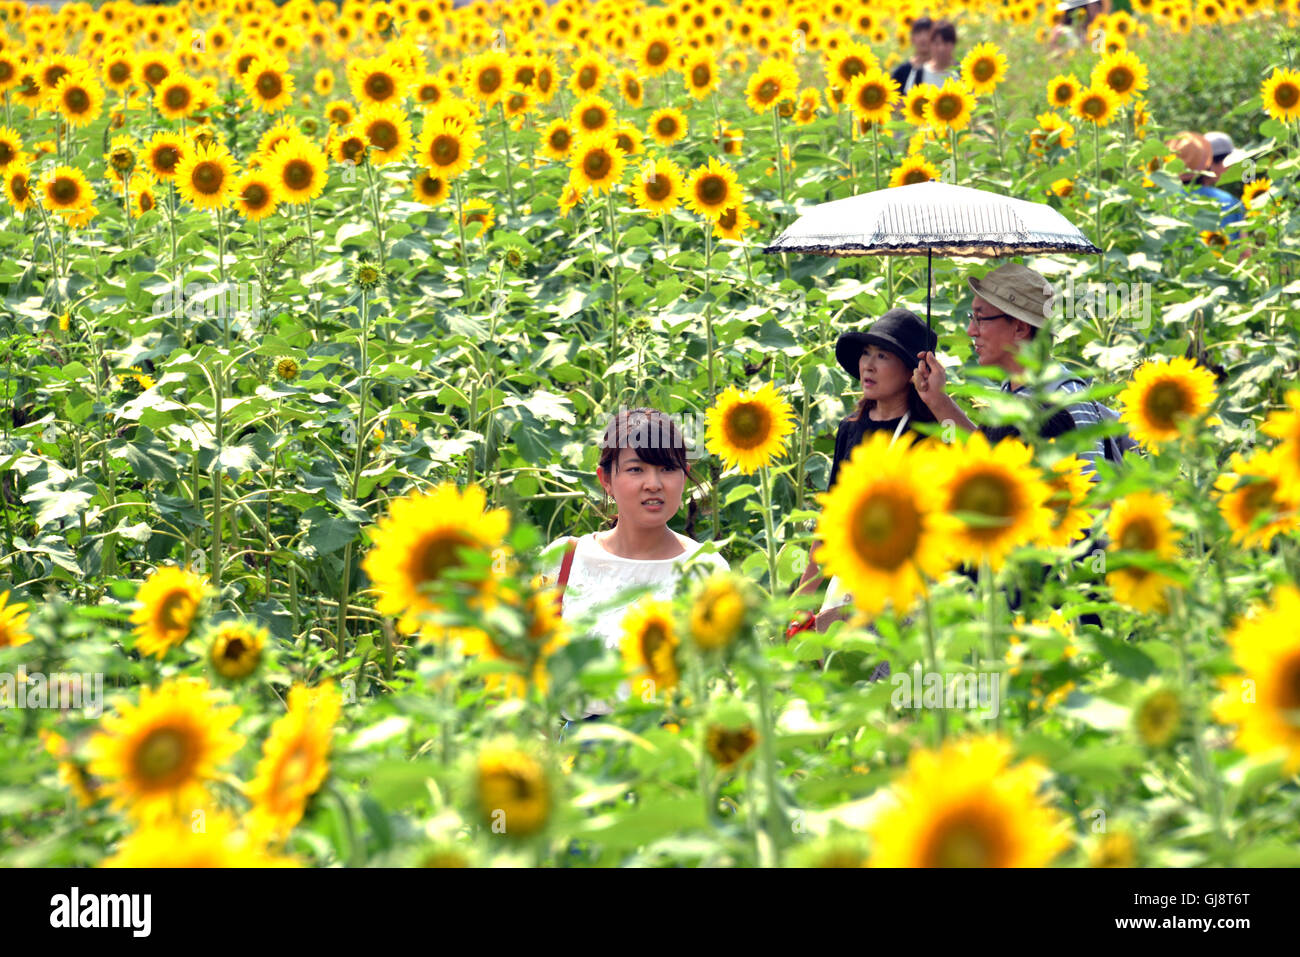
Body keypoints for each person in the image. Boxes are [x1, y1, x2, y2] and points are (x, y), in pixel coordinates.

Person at [540, 407, 729, 722]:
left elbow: (724, 682)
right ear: (606, 480)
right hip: (581, 760)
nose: (654, 484)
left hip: (674, 752)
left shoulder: (706, 568)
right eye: (636, 469)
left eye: (667, 469)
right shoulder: (564, 561)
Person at [793, 308, 938, 634]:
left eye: (882, 355)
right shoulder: (851, 428)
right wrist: (803, 598)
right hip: (851, 581)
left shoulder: (928, 433)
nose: (868, 365)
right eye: (866, 354)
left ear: (910, 372)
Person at [910, 263, 1106, 467]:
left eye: (980, 319)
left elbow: (1094, 491)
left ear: (1020, 328)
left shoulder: (1067, 396)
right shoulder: (1011, 387)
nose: (970, 331)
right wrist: (937, 401)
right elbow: (985, 458)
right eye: (972, 318)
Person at [1169, 130, 1244, 236]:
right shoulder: (1230, 203)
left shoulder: (1166, 199)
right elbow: (1245, 251)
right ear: (1209, 163)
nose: (1230, 167)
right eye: (1228, 161)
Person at [903, 19, 956, 92]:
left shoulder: (961, 73)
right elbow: (909, 100)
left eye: (946, 43)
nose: (941, 48)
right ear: (930, 44)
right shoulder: (919, 74)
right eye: (937, 44)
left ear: (953, 44)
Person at [890, 17, 933, 95]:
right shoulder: (901, 72)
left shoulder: (944, 70)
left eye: (927, 33)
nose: (923, 38)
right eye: (919, 33)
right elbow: (894, 102)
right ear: (912, 38)